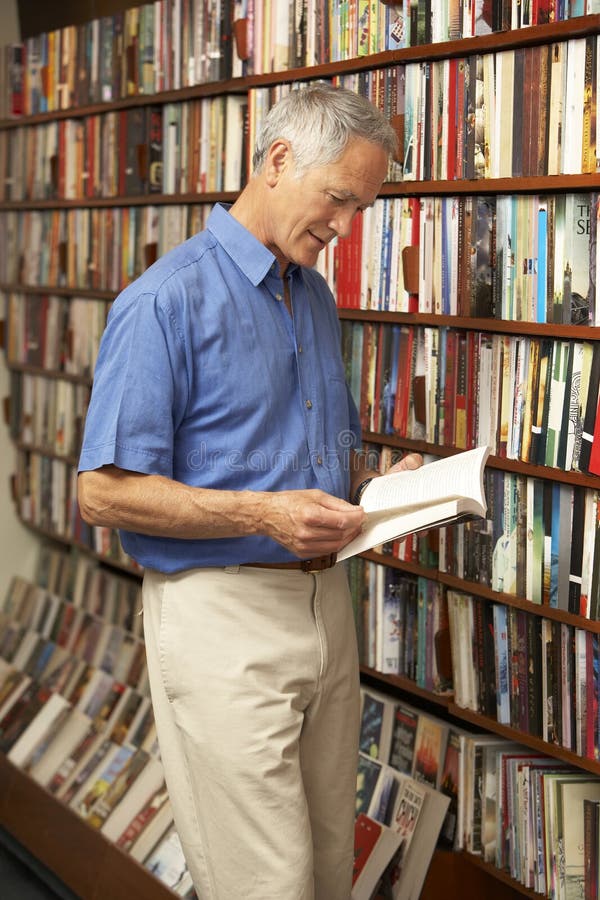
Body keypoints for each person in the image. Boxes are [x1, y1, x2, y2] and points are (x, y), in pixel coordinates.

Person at [78, 83, 422, 900]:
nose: (345, 229)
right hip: (219, 615)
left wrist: (380, 493)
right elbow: (101, 493)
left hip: (325, 609)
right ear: (277, 161)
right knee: (264, 886)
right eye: (339, 199)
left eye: (360, 207)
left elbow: (299, 462)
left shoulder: (314, 297)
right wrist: (262, 513)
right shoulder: (164, 302)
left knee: (328, 868)